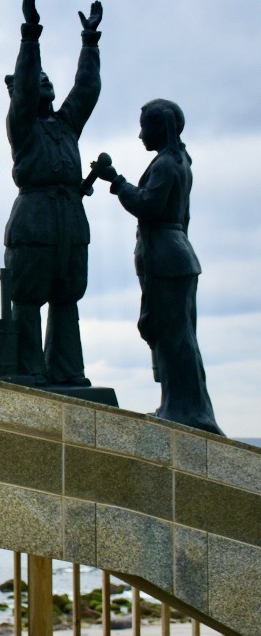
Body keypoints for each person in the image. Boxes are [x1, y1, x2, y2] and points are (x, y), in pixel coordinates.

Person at [95, 100, 223, 434]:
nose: (140, 134)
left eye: (144, 126)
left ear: (159, 126)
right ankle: (178, 406)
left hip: (166, 258)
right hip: (176, 254)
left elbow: (148, 206)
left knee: (174, 336)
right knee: (174, 335)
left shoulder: (167, 165)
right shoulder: (179, 162)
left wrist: (118, 181)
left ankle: (186, 411)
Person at [3, 0, 103, 386]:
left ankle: (66, 370)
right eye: (39, 79)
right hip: (34, 220)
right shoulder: (23, 126)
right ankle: (28, 370)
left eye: (48, 78)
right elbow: (26, 87)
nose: (45, 81)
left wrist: (90, 44)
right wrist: (30, 36)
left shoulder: (65, 126)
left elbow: (87, 90)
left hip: (69, 220)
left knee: (67, 298)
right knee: (26, 299)